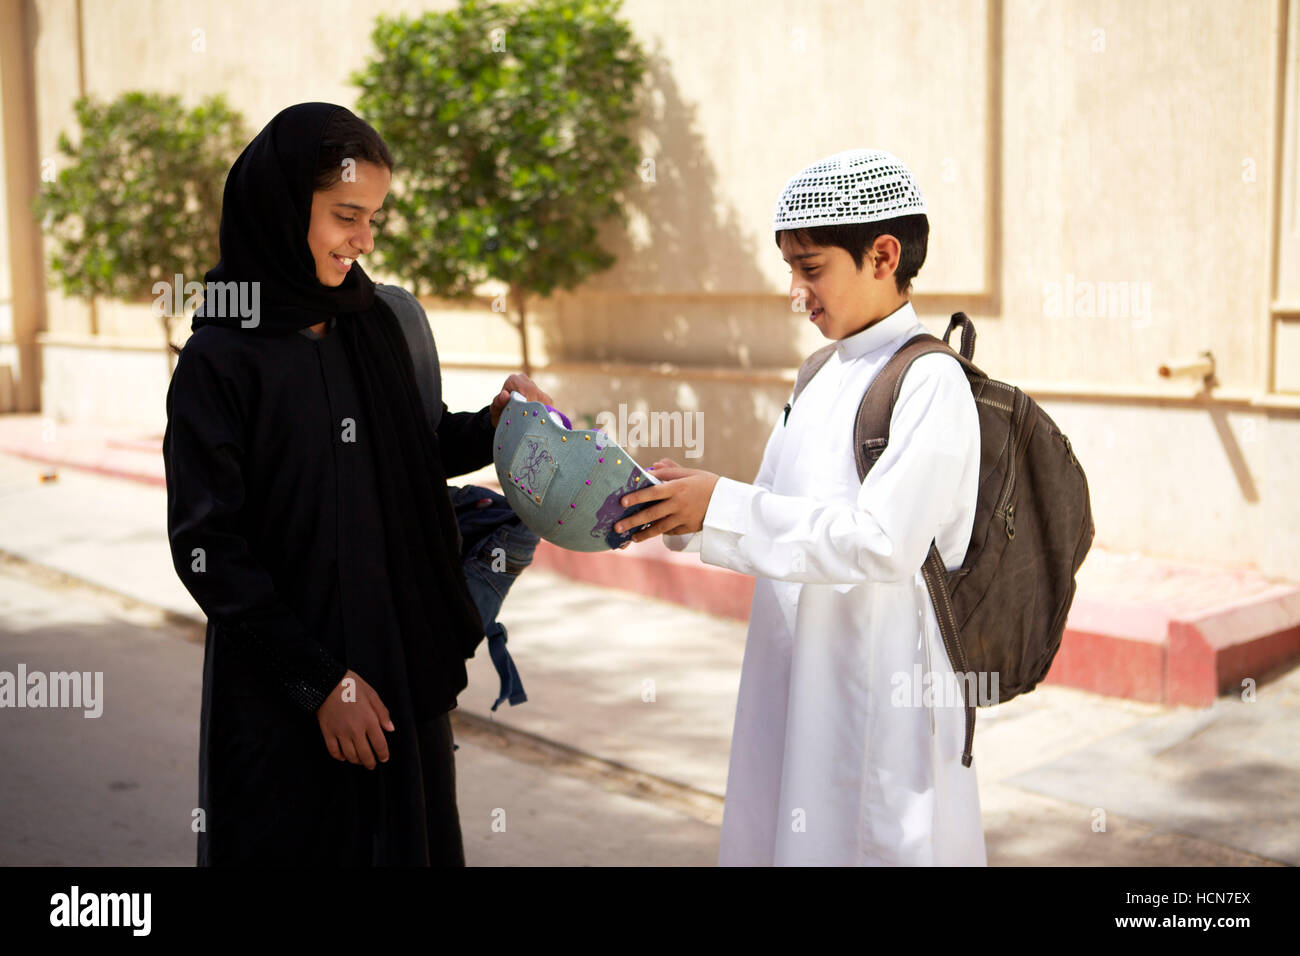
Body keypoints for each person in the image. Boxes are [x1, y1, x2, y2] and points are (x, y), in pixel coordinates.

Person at [163, 102, 553, 866]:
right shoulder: (221, 356)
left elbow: (413, 446)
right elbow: (208, 547)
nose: (365, 240)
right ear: (283, 205)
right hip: (285, 690)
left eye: (373, 218)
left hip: (396, 668)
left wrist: (501, 422)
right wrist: (319, 685)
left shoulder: (371, 322)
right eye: (347, 215)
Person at [614, 149, 987, 866]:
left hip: (877, 695)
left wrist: (720, 506)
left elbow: (883, 544)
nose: (796, 292)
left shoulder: (930, 380)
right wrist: (676, 508)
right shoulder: (820, 370)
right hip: (794, 679)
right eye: (790, 269)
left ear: (882, 256)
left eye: (810, 268)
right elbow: (772, 513)